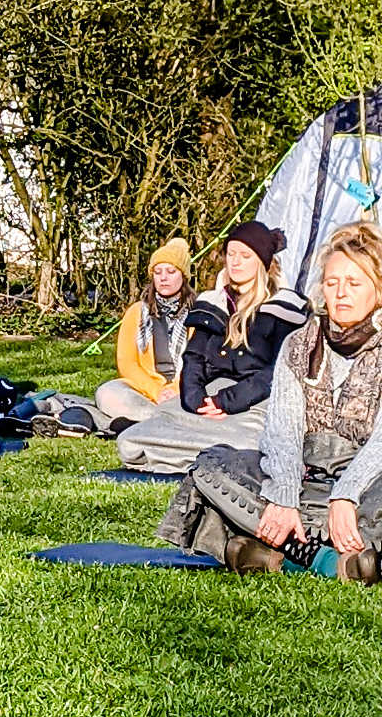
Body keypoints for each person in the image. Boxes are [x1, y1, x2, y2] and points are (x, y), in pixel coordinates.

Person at [159, 222, 382, 583]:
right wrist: (284, 495)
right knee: (211, 467)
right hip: (306, 477)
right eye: (332, 282)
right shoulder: (300, 343)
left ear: (378, 288)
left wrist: (346, 495)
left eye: (354, 284)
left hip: (368, 484)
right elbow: (283, 431)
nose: (341, 293)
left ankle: (274, 554)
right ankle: (329, 559)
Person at [116, 221, 307, 474]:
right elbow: (193, 359)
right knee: (130, 441)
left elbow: (276, 371)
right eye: (231, 254)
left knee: (253, 440)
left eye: (245, 256)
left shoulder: (284, 308)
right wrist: (196, 400)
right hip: (210, 395)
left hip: (255, 400)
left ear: (262, 261)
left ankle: (198, 453)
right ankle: (208, 453)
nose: (235, 262)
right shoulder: (212, 303)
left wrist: (226, 402)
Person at [94, 237, 195, 428]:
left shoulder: (199, 313)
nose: (163, 278)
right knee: (107, 393)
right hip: (146, 393)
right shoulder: (136, 312)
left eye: (171, 272)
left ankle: (151, 422)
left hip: (187, 388)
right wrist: (156, 392)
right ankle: (165, 419)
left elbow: (201, 363)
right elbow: (127, 363)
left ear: (183, 276)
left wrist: (176, 389)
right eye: (158, 272)